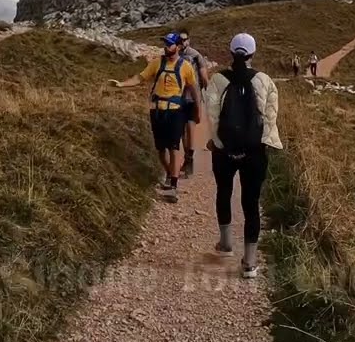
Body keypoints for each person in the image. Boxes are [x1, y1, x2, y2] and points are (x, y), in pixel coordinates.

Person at [204, 32, 281, 278]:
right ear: (253, 54)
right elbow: (270, 119)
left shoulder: (217, 79)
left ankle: (226, 243)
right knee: (251, 203)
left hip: (224, 150)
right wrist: (261, 143)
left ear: (230, 52)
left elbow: (212, 116)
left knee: (224, 192)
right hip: (255, 151)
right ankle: (249, 262)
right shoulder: (265, 80)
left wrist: (217, 143)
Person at [111, 32, 201, 202]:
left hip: (175, 111)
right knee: (161, 149)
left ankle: (173, 186)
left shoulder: (186, 66)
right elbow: (140, 77)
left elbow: (193, 89)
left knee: (174, 147)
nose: (166, 47)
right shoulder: (156, 63)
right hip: (157, 110)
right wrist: (122, 84)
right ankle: (169, 173)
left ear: (178, 47)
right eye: (165, 44)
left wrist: (198, 109)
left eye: (169, 44)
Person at [177, 27, 208, 178]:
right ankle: (187, 159)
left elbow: (203, 75)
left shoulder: (196, 55)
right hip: (178, 97)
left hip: (192, 96)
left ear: (188, 40)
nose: (182, 42)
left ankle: (189, 159)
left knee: (190, 127)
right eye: (180, 39)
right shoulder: (174, 54)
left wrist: (205, 91)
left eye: (184, 39)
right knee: (182, 131)